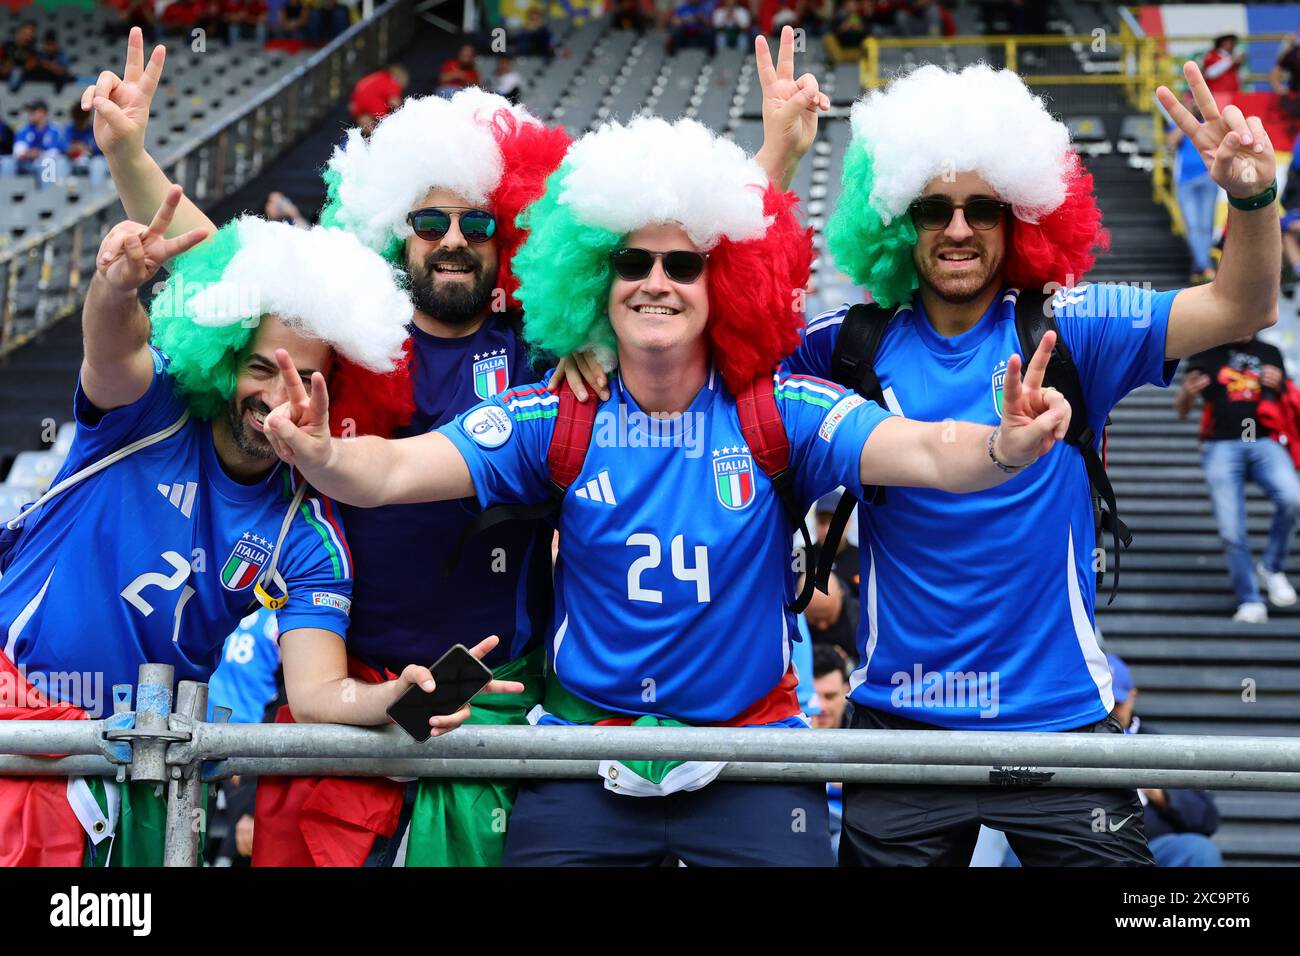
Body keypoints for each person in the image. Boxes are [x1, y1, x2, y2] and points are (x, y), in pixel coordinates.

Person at [262, 113, 1073, 867]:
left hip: (747, 756)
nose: (658, 281)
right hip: (583, 758)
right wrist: (320, 455)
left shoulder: (777, 410)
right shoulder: (554, 414)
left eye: (683, 264)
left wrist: (1001, 447)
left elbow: (929, 452)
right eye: (631, 263)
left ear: (722, 283)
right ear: (594, 284)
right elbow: (396, 470)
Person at [754, 52, 1280, 865]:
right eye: (934, 208)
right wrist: (776, 159)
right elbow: (711, 338)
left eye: (983, 208)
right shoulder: (847, 345)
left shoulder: (1076, 327)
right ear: (899, 218)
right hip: (902, 725)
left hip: (1061, 721)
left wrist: (1249, 196)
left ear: (1020, 217)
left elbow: (1243, 305)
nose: (958, 229)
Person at [85, 31, 573, 866]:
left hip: (494, 699)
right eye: (429, 220)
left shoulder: (550, 351)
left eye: (477, 222)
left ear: (511, 238)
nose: (452, 238)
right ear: (399, 231)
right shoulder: (348, 335)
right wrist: (131, 156)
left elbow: (679, 286)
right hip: (336, 693)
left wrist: (595, 330)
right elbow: (225, 260)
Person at [0, 188, 428, 866]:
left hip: (131, 764)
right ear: (224, 358)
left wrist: (394, 700)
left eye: (305, 378)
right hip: (10, 713)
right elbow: (113, 348)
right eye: (261, 367)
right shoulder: (152, 410)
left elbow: (318, 694)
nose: (279, 397)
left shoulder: (309, 533)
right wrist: (115, 289)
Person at [1176, 335, 1299, 621]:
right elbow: (1182, 410)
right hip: (1220, 444)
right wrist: (1188, 393)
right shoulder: (1204, 351)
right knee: (1231, 528)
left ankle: (1271, 567)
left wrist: (1279, 384)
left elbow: (1286, 397)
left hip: (1265, 441)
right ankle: (1250, 598)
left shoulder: (1270, 351)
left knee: (1293, 498)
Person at [1107, 655, 1223, 867]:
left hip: (1150, 850)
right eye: (1103, 703)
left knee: (1198, 850)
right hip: (1083, 846)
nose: (1109, 711)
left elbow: (1207, 818)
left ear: (1133, 696)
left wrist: (1161, 794)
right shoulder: (1064, 741)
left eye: (1117, 703)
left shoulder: (1161, 745)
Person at [1168, 90, 1219, 283]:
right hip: (1185, 181)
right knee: (1193, 226)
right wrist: (1186, 121)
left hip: (1208, 178)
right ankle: (1205, 267)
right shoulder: (1178, 124)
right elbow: (1171, 142)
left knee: (1206, 226)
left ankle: (1200, 267)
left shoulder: (1210, 124)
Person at [13, 101, 67, 188]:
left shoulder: (55, 130)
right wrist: (27, 154)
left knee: (50, 163)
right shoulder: (24, 130)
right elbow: (18, 150)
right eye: (30, 111)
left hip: (46, 163)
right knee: (8, 162)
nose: (30, 113)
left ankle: (47, 196)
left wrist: (39, 154)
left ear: (43, 112)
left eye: (33, 110)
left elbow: (56, 152)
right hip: (26, 164)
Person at [349, 63, 408, 128]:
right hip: (378, 116)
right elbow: (394, 102)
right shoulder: (390, 81)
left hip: (358, 105)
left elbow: (352, 106)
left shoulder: (376, 77)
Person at [64, 104, 109, 190]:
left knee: (98, 163)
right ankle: (59, 192)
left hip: (91, 160)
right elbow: (63, 145)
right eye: (78, 121)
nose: (80, 124)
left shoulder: (94, 129)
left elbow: (100, 148)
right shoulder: (69, 129)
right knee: (60, 161)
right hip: (73, 161)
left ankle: (97, 193)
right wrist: (73, 148)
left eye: (82, 120)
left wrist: (86, 148)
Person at [1202, 31, 1244, 101]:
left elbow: (1239, 77)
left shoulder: (1232, 57)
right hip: (1219, 95)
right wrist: (1231, 60)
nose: (1229, 43)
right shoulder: (1212, 55)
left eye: (1231, 41)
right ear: (1220, 42)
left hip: (1234, 94)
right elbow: (1210, 73)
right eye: (1226, 40)